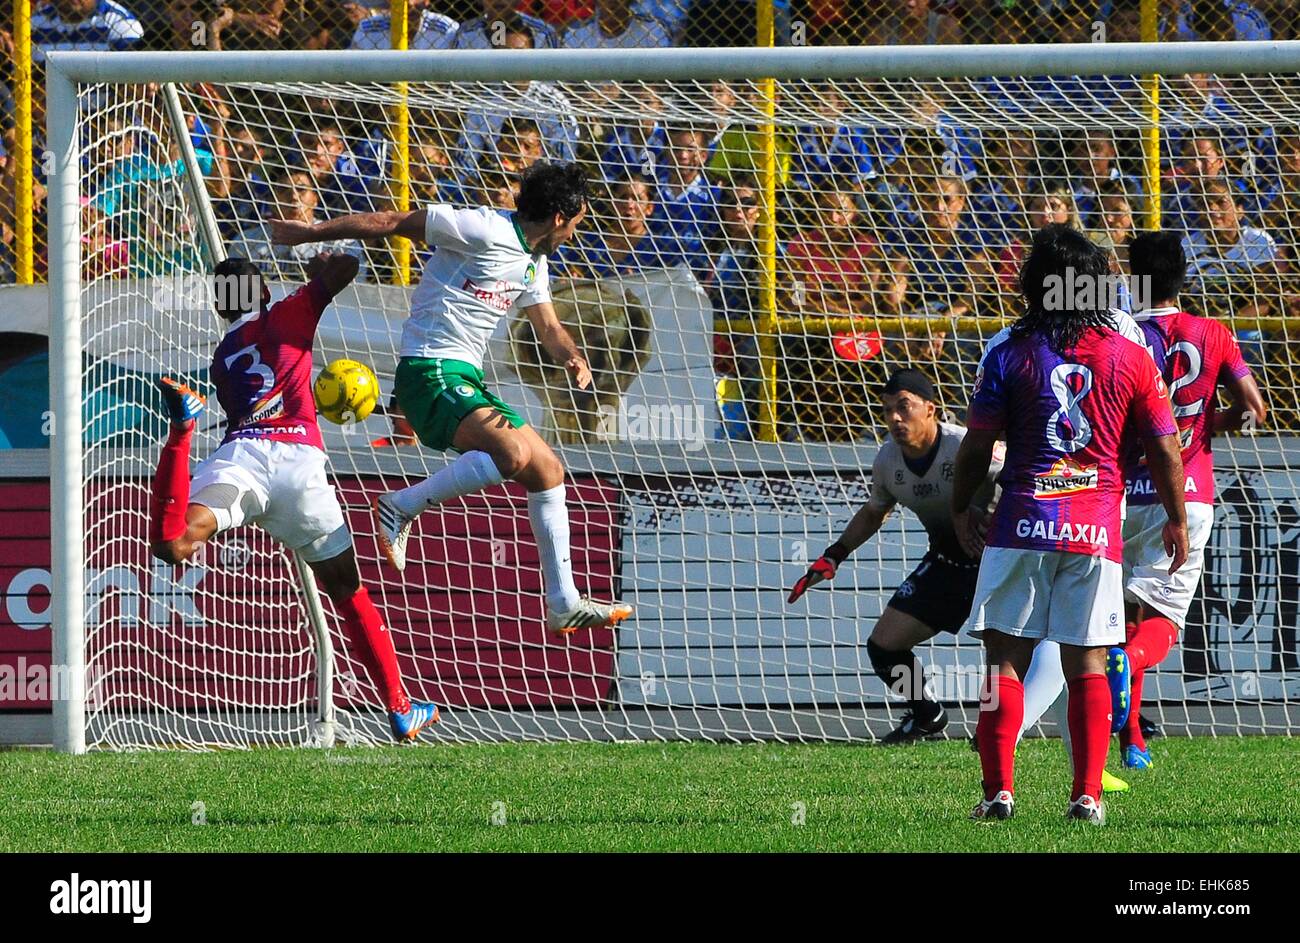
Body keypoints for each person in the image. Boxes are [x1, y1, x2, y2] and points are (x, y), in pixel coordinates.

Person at [269, 161, 634, 635]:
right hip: (429, 372)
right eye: (579, 220)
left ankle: (563, 601)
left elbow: (549, 325)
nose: (577, 231)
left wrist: (573, 358)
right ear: (561, 217)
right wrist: (309, 233)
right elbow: (394, 222)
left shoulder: (533, 264)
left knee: (548, 471)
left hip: (463, 378)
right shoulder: (483, 227)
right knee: (510, 452)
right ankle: (402, 505)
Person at [147, 255, 440, 741]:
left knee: (172, 542)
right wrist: (323, 262)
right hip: (299, 468)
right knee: (348, 592)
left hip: (240, 460)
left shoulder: (223, 356)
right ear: (262, 292)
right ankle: (400, 707)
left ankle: (182, 430)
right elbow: (348, 266)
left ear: (221, 308)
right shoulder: (287, 313)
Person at [952, 224, 1188, 825]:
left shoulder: (1006, 349)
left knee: (1003, 660)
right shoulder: (1130, 353)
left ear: (1035, 282)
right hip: (1095, 526)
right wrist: (1176, 517)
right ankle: (1087, 796)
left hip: (1021, 521)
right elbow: (1164, 448)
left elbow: (977, 445)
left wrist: (962, 506)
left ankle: (997, 792)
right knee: (1088, 659)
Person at [1116, 230, 1267, 769]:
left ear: (1130, 279)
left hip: (1118, 495)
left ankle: (1132, 742)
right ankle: (1125, 667)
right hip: (1188, 494)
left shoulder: (1118, 334)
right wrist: (1206, 422)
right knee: (1160, 626)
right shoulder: (1214, 334)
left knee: (1125, 616)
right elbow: (1255, 411)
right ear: (1183, 276)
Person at [788, 370, 1002, 743]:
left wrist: (991, 514)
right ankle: (928, 715)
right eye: (887, 410)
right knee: (884, 647)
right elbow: (875, 511)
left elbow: (1018, 477)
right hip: (947, 564)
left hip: (997, 563)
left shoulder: (966, 444)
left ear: (931, 409)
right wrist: (835, 555)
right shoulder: (888, 461)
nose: (894, 419)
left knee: (1003, 651)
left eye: (904, 407)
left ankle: (998, 728)